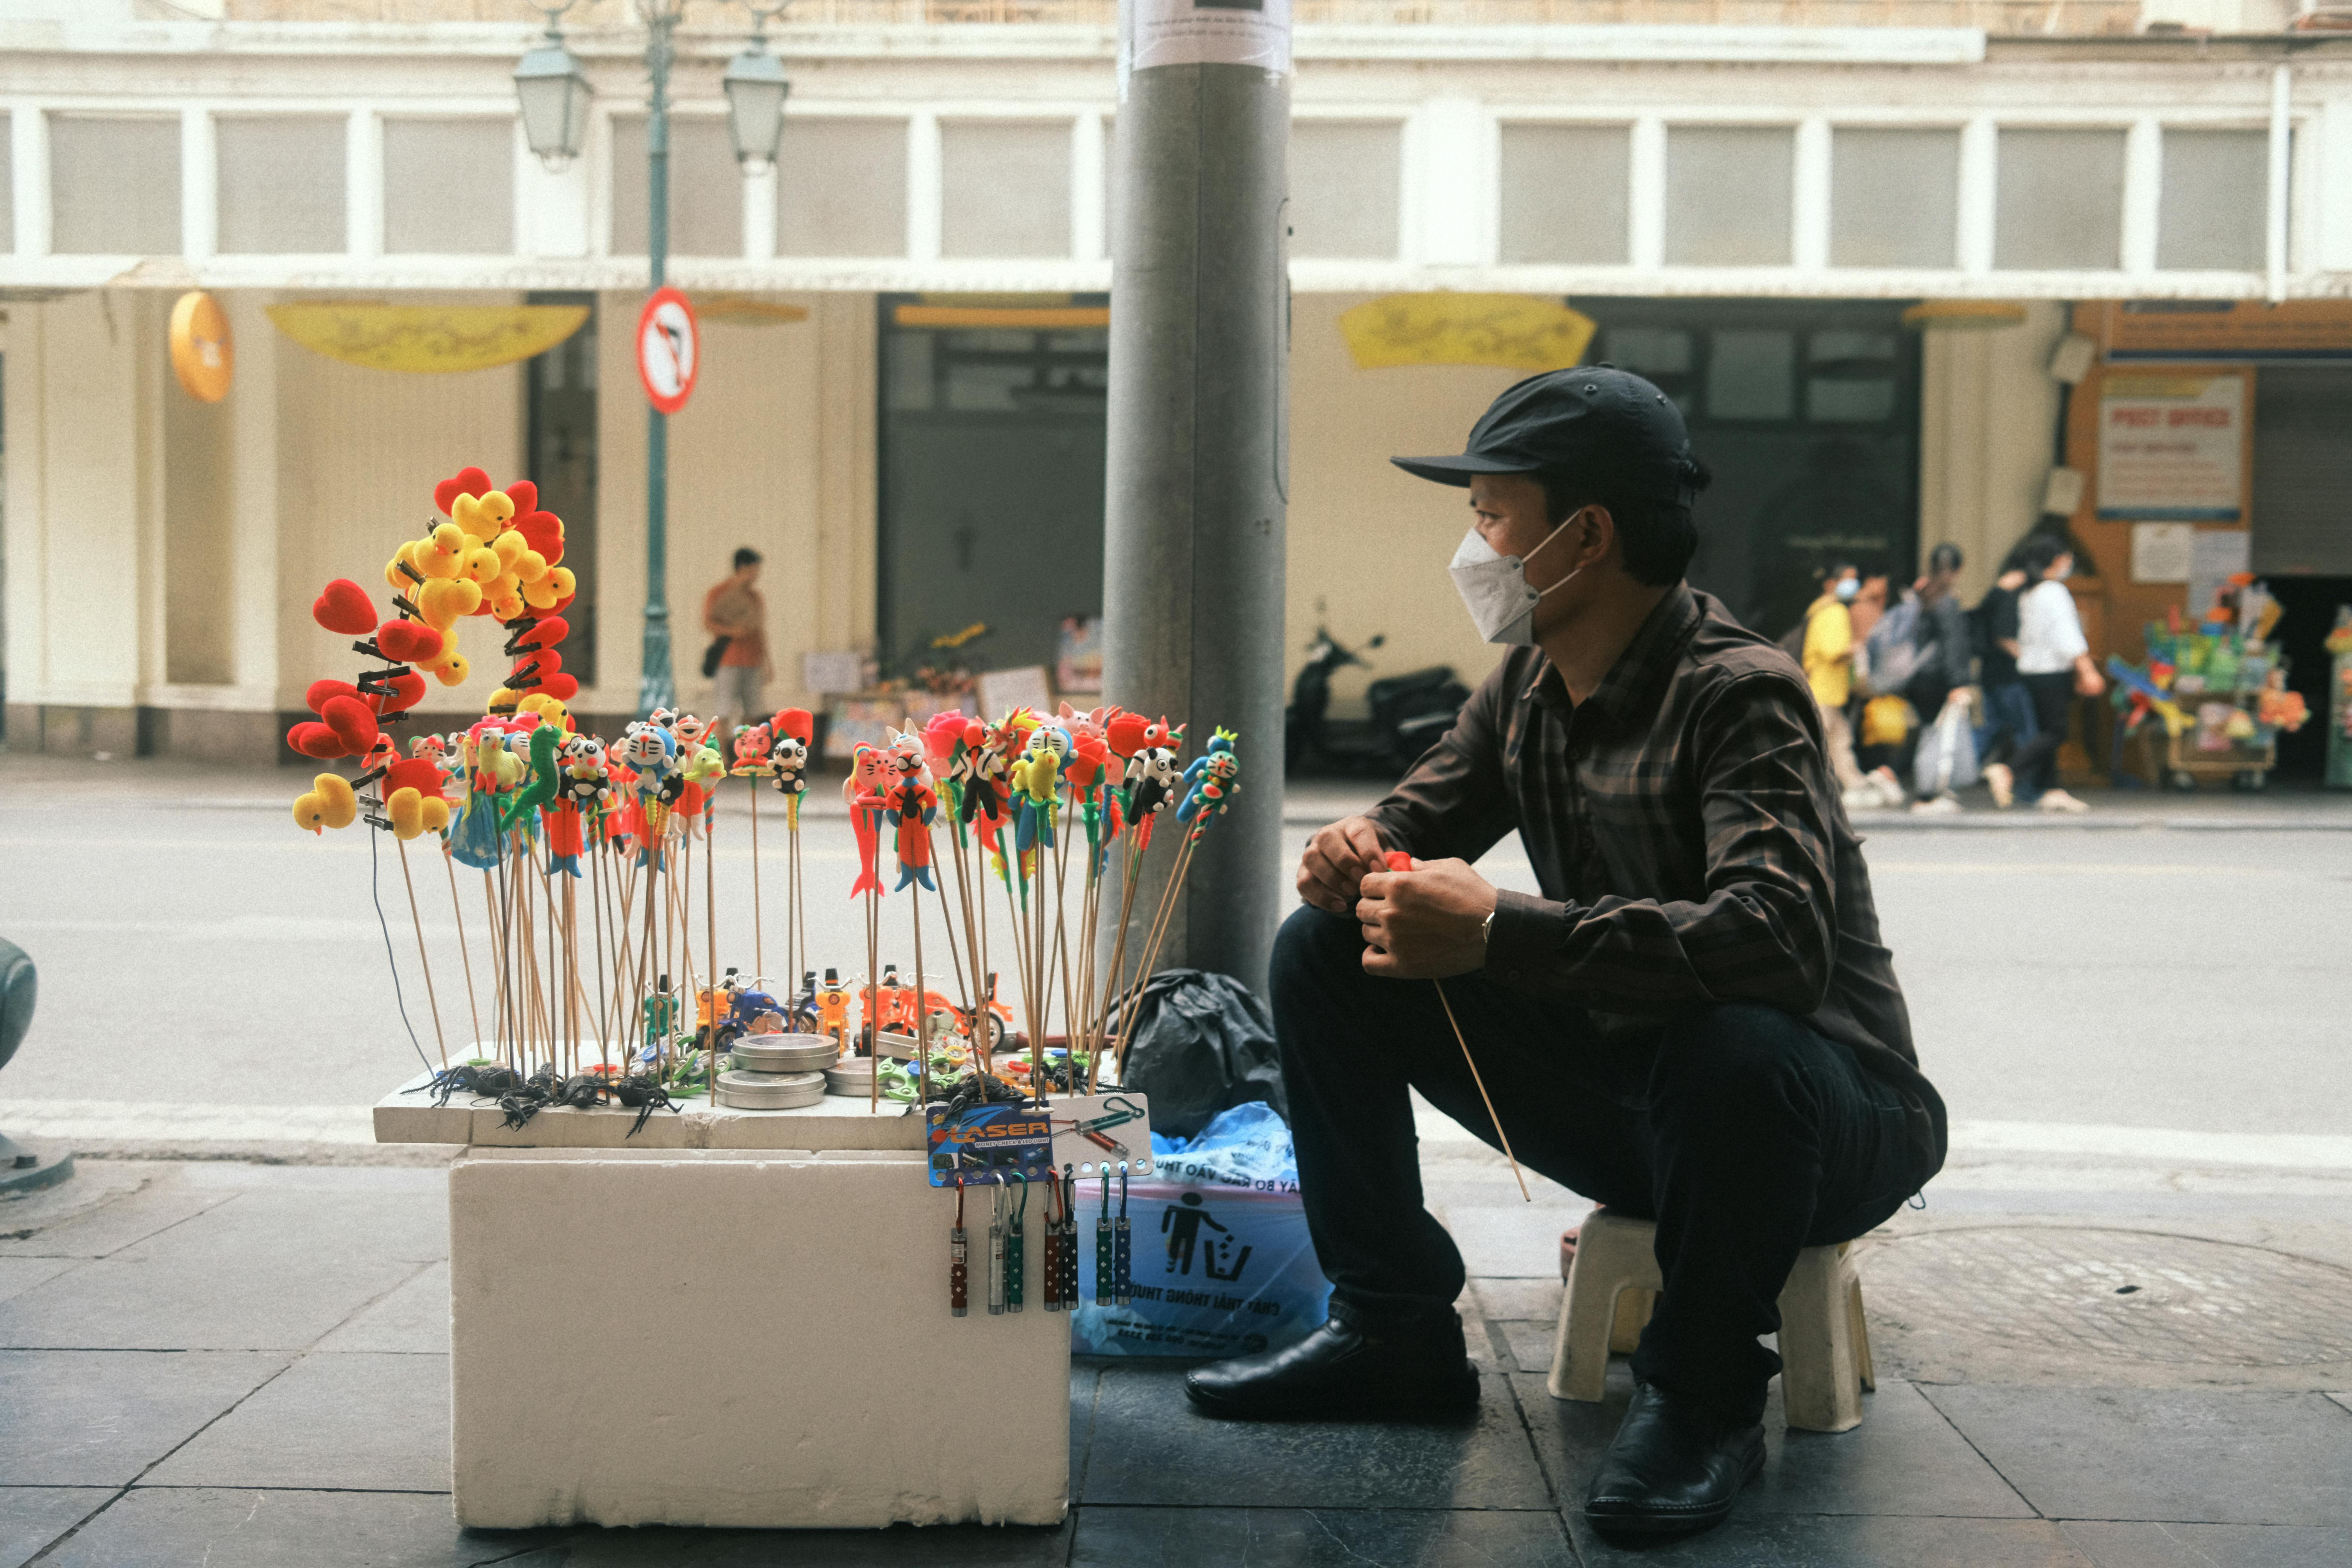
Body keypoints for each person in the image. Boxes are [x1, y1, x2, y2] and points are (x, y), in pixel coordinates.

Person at [1183, 368, 1946, 1544]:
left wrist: (1497, 930)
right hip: (1645, 1108)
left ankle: (1702, 1398)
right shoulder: (1529, 682)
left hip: (1823, 1120)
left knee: (1732, 1041)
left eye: (1491, 513)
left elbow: (1776, 945)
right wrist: (1355, 857)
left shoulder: (1739, 695)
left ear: (1583, 537)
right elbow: (1410, 831)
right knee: (1328, 951)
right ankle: (1393, 1329)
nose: (1473, 542)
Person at [2009, 539, 2104, 813]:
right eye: (2066, 558)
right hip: (2051, 671)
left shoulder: (2030, 593)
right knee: (2056, 731)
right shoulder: (2054, 591)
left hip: (2031, 672)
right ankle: (2009, 768)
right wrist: (2086, 669)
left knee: (2044, 731)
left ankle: (2051, 789)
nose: (2069, 564)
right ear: (2056, 561)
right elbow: (2067, 635)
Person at [1901, 544, 1976, 816]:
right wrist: (1958, 683)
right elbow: (1952, 644)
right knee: (1940, 736)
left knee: (1927, 732)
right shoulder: (1946, 600)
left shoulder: (1920, 594)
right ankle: (1931, 792)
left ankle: (1926, 788)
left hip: (1916, 677)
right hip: (1938, 679)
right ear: (1958, 569)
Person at [1798, 563, 1869, 796]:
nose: (1853, 585)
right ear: (1831, 584)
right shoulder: (1834, 612)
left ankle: (1855, 786)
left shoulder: (1820, 609)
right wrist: (1858, 648)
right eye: (1848, 579)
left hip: (1826, 690)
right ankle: (1804, 789)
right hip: (1824, 691)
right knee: (1820, 743)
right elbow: (1832, 650)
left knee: (1839, 740)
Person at [1974, 562, 2034, 809]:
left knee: (1992, 728)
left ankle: (1953, 774)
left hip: (1990, 675)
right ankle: (2026, 787)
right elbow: (2005, 638)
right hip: (2009, 677)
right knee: (2027, 733)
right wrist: (2029, 660)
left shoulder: (1991, 597)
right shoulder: (2008, 598)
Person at [702, 547, 770, 732]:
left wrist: (767, 663)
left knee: (753, 711)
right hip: (728, 660)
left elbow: (759, 630)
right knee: (723, 711)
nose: (756, 575)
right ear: (742, 568)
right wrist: (733, 632)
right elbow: (708, 623)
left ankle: (748, 751)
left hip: (753, 660)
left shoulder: (755, 597)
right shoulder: (719, 593)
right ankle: (721, 754)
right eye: (754, 570)